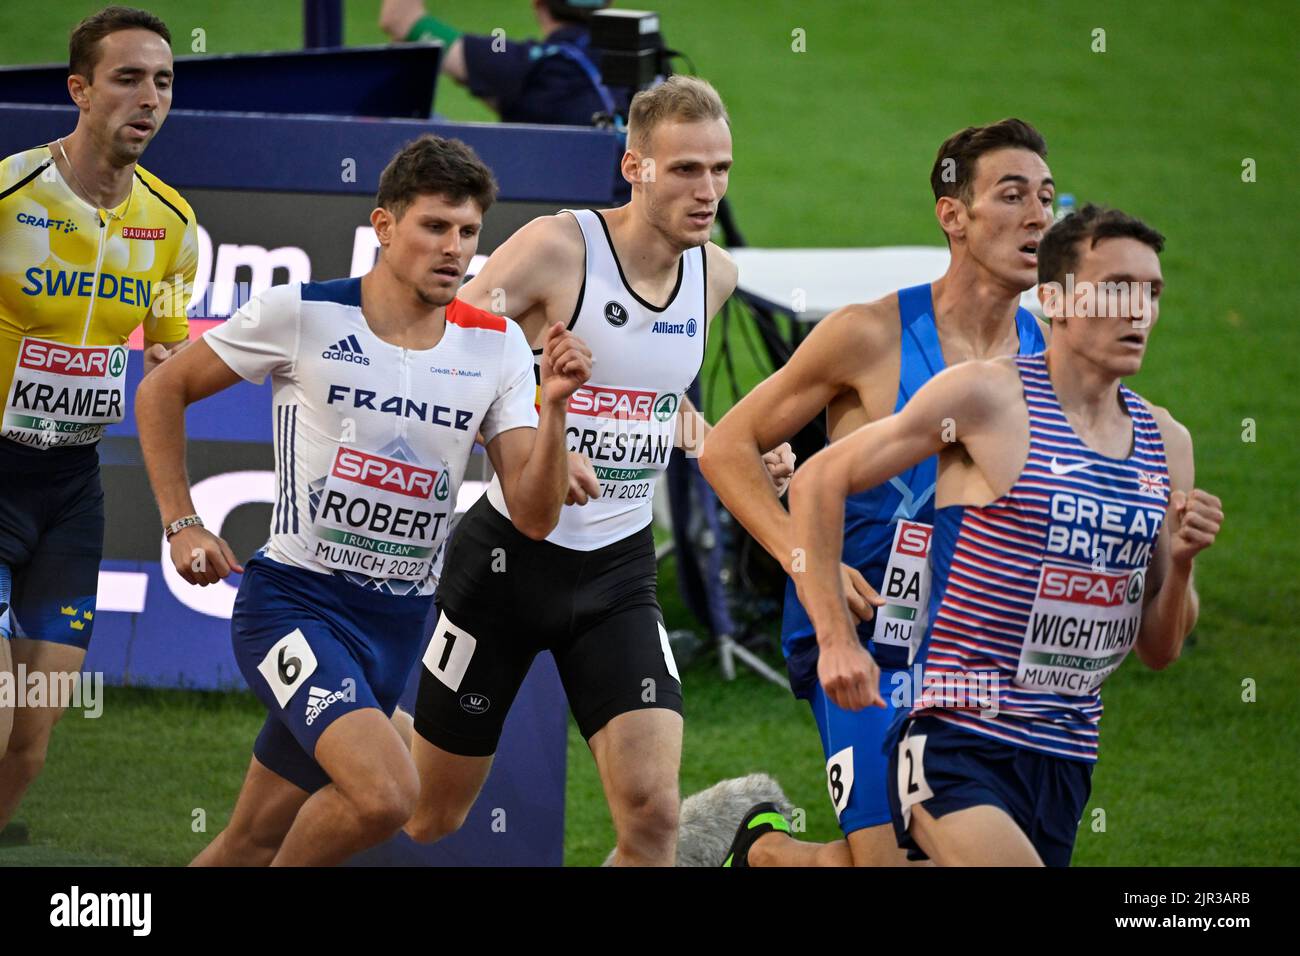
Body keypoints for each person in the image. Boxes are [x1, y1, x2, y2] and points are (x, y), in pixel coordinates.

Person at [134, 134, 592, 866]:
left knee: (250, 840)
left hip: (397, 623)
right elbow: (163, 387)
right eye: (434, 227)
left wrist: (558, 410)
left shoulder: (499, 346)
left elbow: (533, 514)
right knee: (387, 795)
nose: (454, 248)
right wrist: (181, 520)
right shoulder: (303, 313)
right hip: (292, 605)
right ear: (384, 227)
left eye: (468, 232)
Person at [401, 75, 793, 866]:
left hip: (618, 572)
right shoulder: (559, 247)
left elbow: (652, 403)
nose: (708, 188)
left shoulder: (713, 275)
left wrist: (723, 446)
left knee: (651, 818)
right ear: (635, 166)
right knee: (426, 812)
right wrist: (537, 434)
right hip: (508, 564)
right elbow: (443, 353)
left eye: (720, 169)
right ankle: (343, 748)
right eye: (685, 169)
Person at [789, 204, 1222, 866]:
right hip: (954, 736)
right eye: (1114, 289)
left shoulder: (1167, 444)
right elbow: (820, 479)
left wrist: (1185, 563)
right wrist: (835, 639)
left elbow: (1160, 648)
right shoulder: (986, 400)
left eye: (1151, 293)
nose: (1137, 311)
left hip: (1065, 757)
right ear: (1053, 299)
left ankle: (760, 852)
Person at [702, 118, 1051, 866]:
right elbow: (728, 445)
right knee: (894, 858)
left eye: (1046, 198)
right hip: (861, 629)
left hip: (972, 645)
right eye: (1013, 195)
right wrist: (806, 561)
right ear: (953, 215)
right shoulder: (871, 334)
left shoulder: (1044, 359)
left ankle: (761, 855)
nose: (1038, 217)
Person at [0, 5, 196, 835]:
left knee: (30, 739)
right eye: (126, 79)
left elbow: (169, 361)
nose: (148, 98)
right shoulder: (8, 193)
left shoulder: (174, 226)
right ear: (79, 89)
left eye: (163, 81)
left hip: (71, 493)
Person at [379, 0, 626, 126]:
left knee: (420, 118)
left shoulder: (523, 66)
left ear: (538, 3)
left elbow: (400, 20)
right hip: (625, 204)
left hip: (549, 210)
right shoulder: (643, 59)